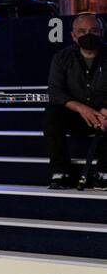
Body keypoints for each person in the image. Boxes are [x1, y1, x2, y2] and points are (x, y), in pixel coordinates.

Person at [45, 12, 107, 189]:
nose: (88, 35)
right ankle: (60, 172)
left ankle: (104, 172)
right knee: (52, 113)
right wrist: (82, 108)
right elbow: (55, 92)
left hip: (104, 116)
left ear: (101, 33)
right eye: (82, 31)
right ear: (73, 36)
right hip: (75, 116)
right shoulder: (62, 58)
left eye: (93, 30)